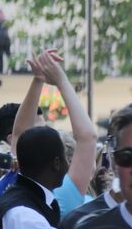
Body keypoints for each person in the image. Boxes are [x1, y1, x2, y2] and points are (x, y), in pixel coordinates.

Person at [13, 50, 99, 216]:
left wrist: (38, 80)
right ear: (60, 162)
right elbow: (88, 137)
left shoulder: (18, 185)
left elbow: (18, 134)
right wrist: (61, 80)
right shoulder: (63, 194)